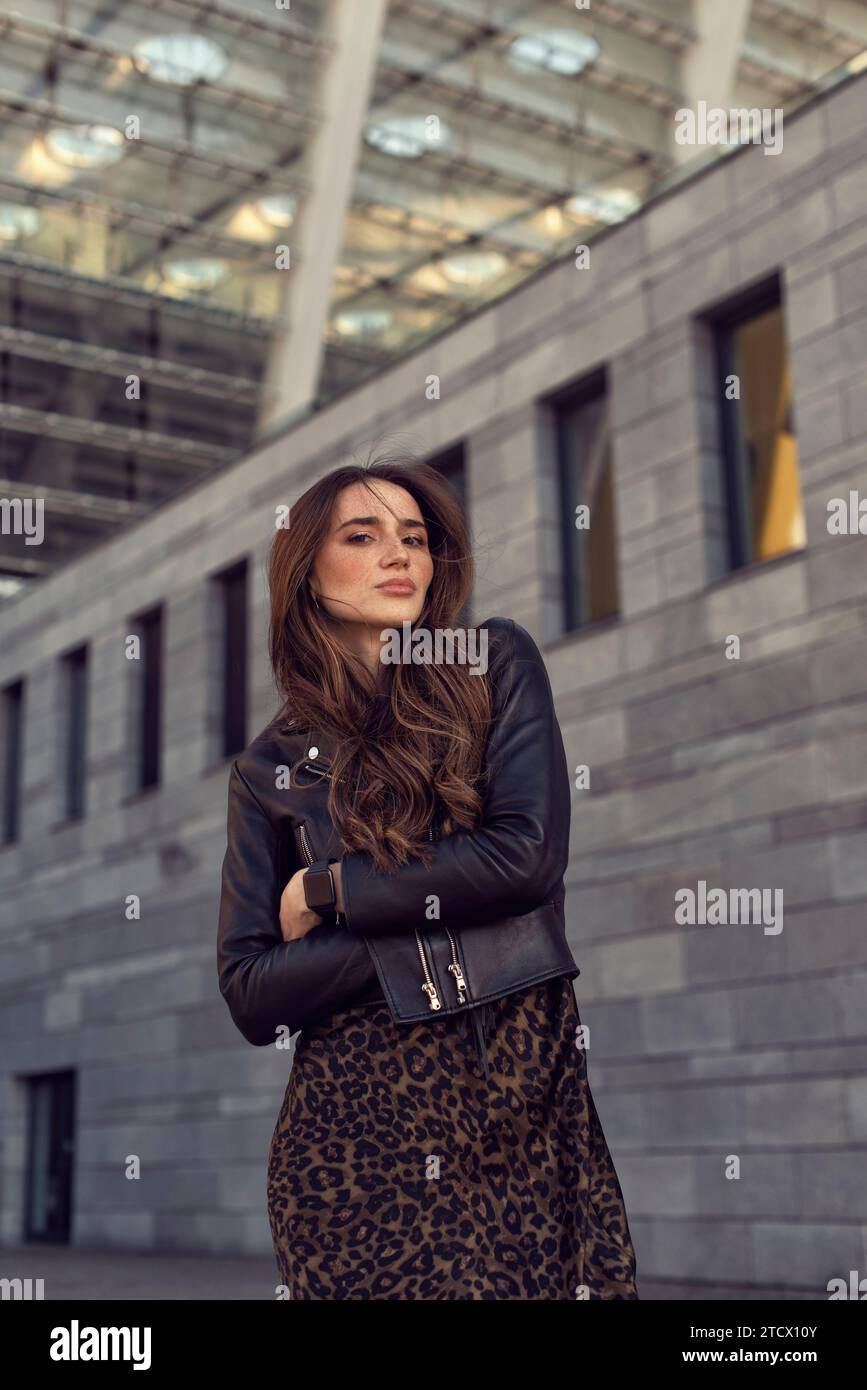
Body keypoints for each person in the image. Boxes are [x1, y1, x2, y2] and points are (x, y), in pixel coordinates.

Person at [217, 454, 638, 1300]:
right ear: (307, 572)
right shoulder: (268, 768)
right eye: (362, 536)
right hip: (350, 1146)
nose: (397, 554)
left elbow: (524, 858)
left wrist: (331, 894)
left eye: (414, 537)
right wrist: (448, 924)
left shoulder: (492, 665)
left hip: (514, 1100)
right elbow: (251, 992)